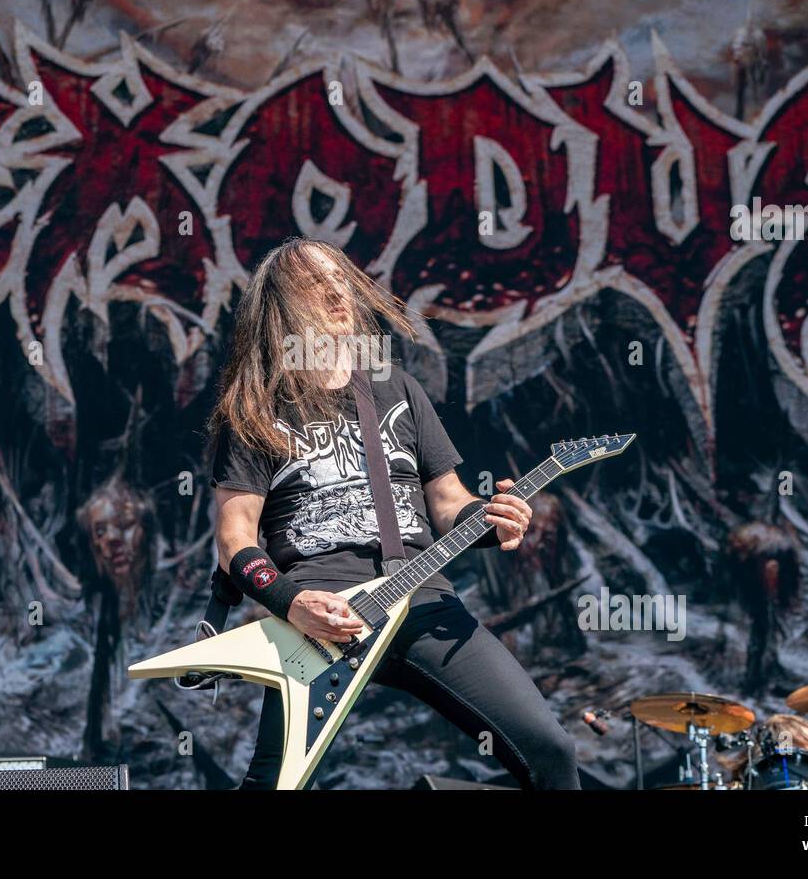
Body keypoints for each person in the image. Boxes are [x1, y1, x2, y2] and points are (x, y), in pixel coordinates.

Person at [208, 236, 580, 789]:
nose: (336, 292)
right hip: (320, 614)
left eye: (341, 279)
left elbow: (450, 503)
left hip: (421, 600)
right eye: (315, 284)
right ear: (285, 305)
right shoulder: (256, 408)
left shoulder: (396, 387)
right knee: (274, 783)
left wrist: (494, 516)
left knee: (549, 749)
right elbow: (235, 537)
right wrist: (291, 603)